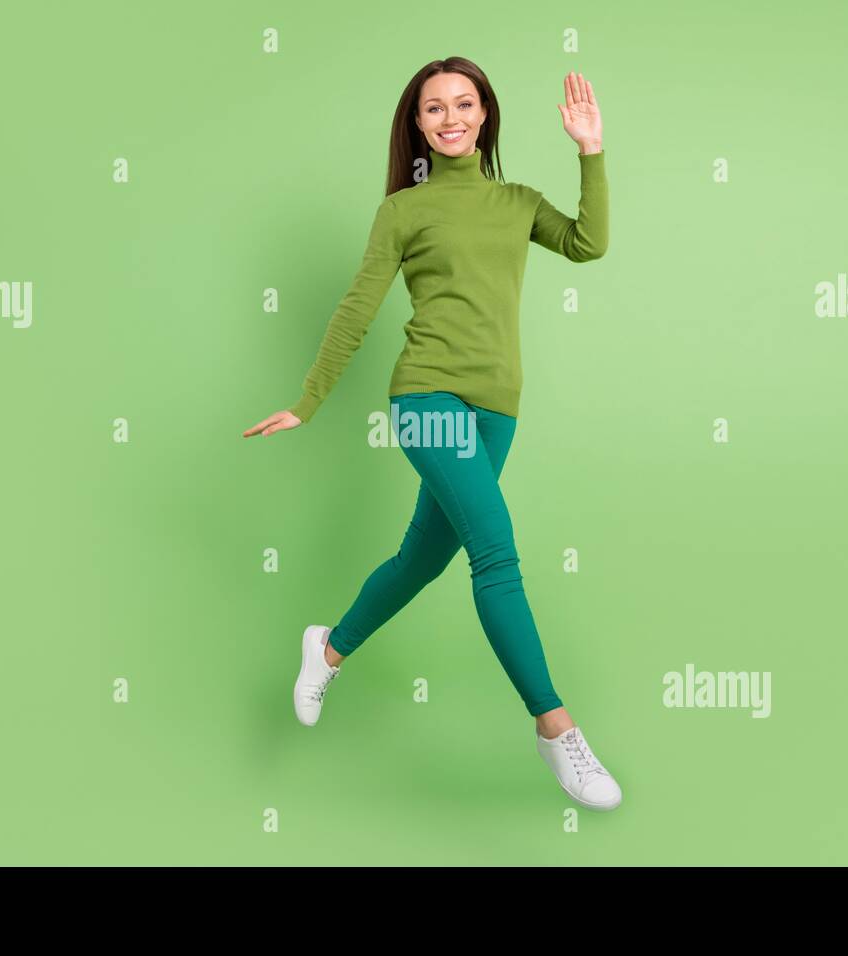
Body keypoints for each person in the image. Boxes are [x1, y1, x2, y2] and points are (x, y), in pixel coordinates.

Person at [243, 58, 620, 811]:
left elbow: (588, 244)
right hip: (426, 398)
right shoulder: (403, 212)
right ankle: (556, 727)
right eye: (434, 108)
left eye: (464, 104)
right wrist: (309, 400)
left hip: (498, 406)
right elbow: (357, 307)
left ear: (485, 115)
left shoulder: (517, 202)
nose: (450, 118)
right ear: (416, 124)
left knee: (421, 559)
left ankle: (329, 647)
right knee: (495, 551)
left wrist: (590, 151)